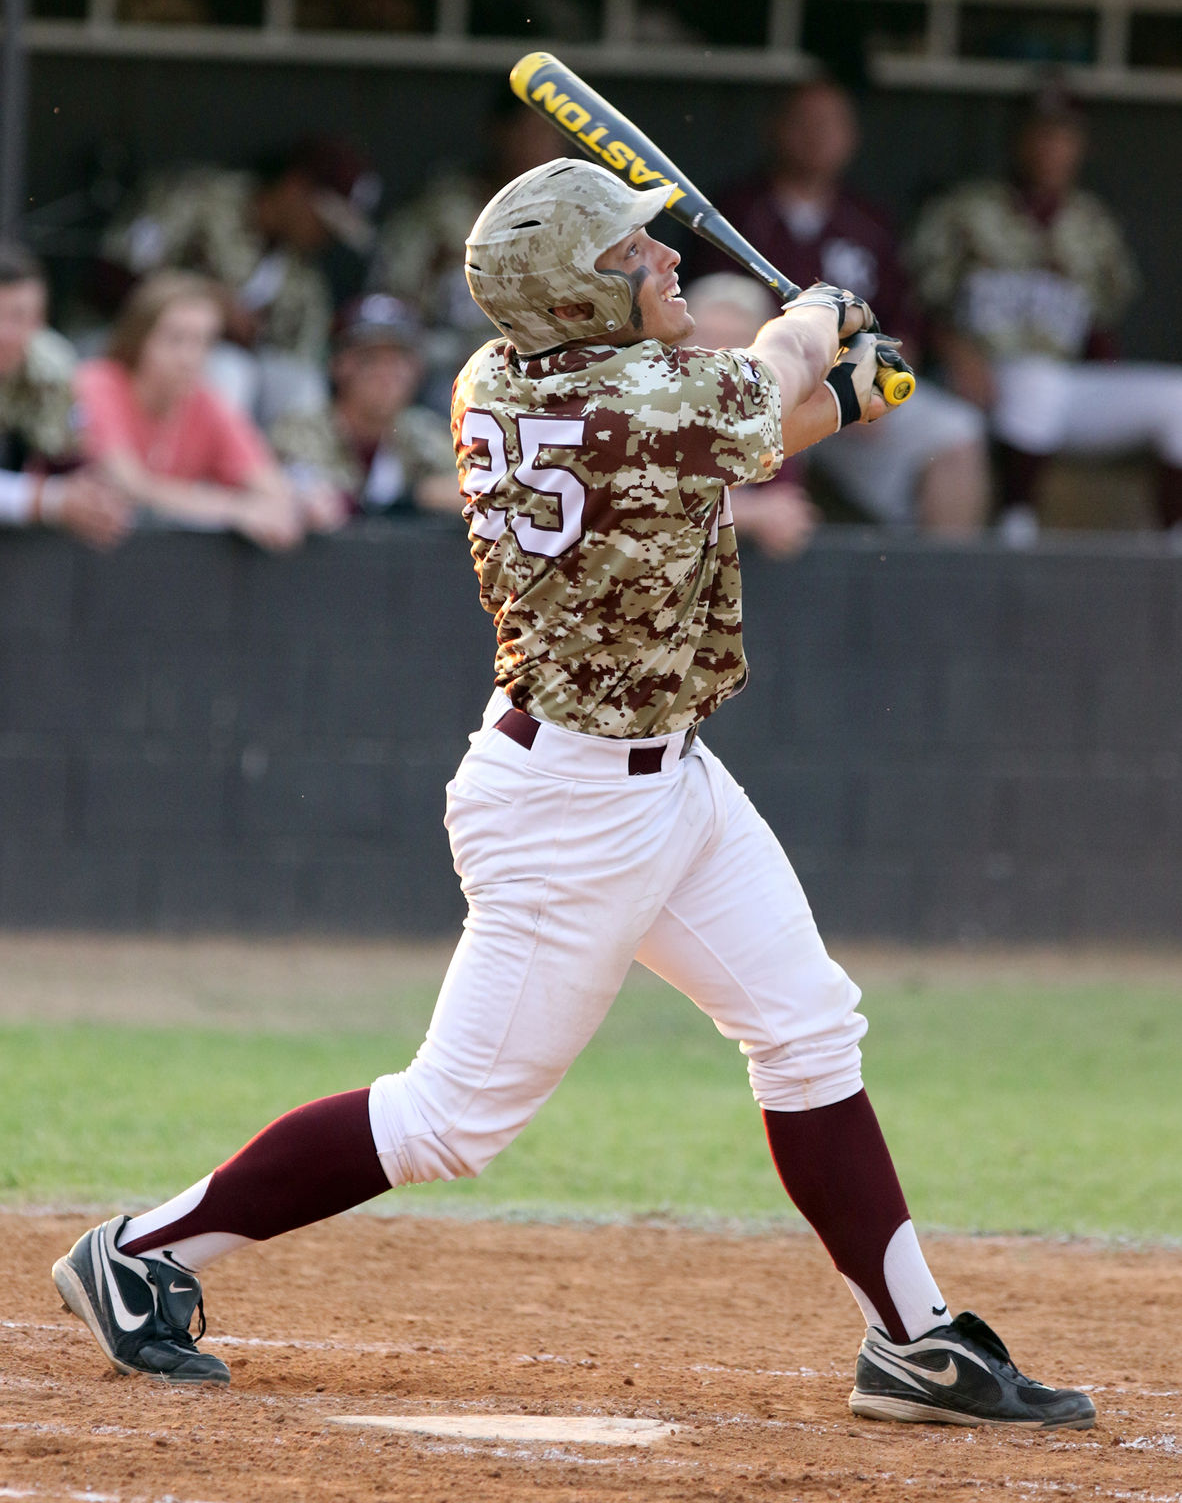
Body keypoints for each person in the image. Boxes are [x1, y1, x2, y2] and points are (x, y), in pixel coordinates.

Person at [52, 157, 1093, 1432]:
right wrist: (825, 317)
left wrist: (839, 396)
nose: (661, 263)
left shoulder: (510, 377)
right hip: (572, 811)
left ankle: (916, 1339)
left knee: (810, 1029)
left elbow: (710, 441)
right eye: (631, 258)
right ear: (574, 301)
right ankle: (142, 1251)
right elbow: (751, 384)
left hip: (671, 776)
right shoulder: (642, 394)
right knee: (450, 1118)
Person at [699, 79, 988, 535]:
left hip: (854, 386)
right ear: (775, 129)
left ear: (851, 137)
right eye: (804, 123)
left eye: (829, 124)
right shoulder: (733, 213)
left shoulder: (868, 221)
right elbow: (710, 326)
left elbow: (902, 323)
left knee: (957, 433)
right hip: (764, 392)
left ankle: (940, 593)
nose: (817, 136)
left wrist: (869, 387)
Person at [908, 94, 1180, 540]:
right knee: (1037, 380)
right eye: (1041, 133)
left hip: (1059, 389)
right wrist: (954, 353)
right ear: (1016, 140)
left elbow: (1099, 328)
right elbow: (917, 304)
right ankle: (1017, 526)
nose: (1051, 147)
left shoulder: (1094, 224)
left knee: (1177, 397)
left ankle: (1175, 551)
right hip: (984, 383)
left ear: (1081, 147)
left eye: (1064, 136)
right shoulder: (964, 212)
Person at [96, 136, 380, 426]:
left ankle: (284, 469)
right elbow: (107, 279)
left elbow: (300, 357)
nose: (326, 237)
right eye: (324, 221)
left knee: (300, 384)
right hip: (124, 342)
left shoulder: (305, 274)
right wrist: (205, 302)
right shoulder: (201, 198)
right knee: (228, 371)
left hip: (228, 372)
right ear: (295, 188)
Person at [75, 271, 302, 550]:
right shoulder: (98, 383)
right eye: (176, 339)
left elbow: (272, 488)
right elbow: (129, 485)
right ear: (138, 337)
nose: (190, 358)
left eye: (204, 342)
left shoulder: (205, 400)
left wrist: (296, 505)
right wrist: (235, 509)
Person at [368, 95, 564, 410]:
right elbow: (392, 301)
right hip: (446, 357)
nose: (541, 147)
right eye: (531, 132)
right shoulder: (442, 209)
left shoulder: (568, 218)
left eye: (552, 136)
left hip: (531, 360)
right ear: (501, 132)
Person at [270, 293, 459, 531]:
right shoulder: (300, 430)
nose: (386, 373)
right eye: (370, 359)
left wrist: (424, 495)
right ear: (339, 364)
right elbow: (321, 502)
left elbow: (471, 491)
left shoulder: (424, 431)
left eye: (398, 360)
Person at [0, 241, 129, 547]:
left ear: (40, 321)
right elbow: (52, 497)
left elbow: (70, 456)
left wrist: (93, 496)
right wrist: (50, 501)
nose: (3, 331)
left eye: (18, 316)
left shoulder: (51, 366)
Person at [683, 273, 817, 558]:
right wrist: (751, 515)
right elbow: (644, 501)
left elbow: (786, 513)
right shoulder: (646, 403)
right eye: (705, 338)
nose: (717, 355)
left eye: (735, 343)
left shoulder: (771, 412)